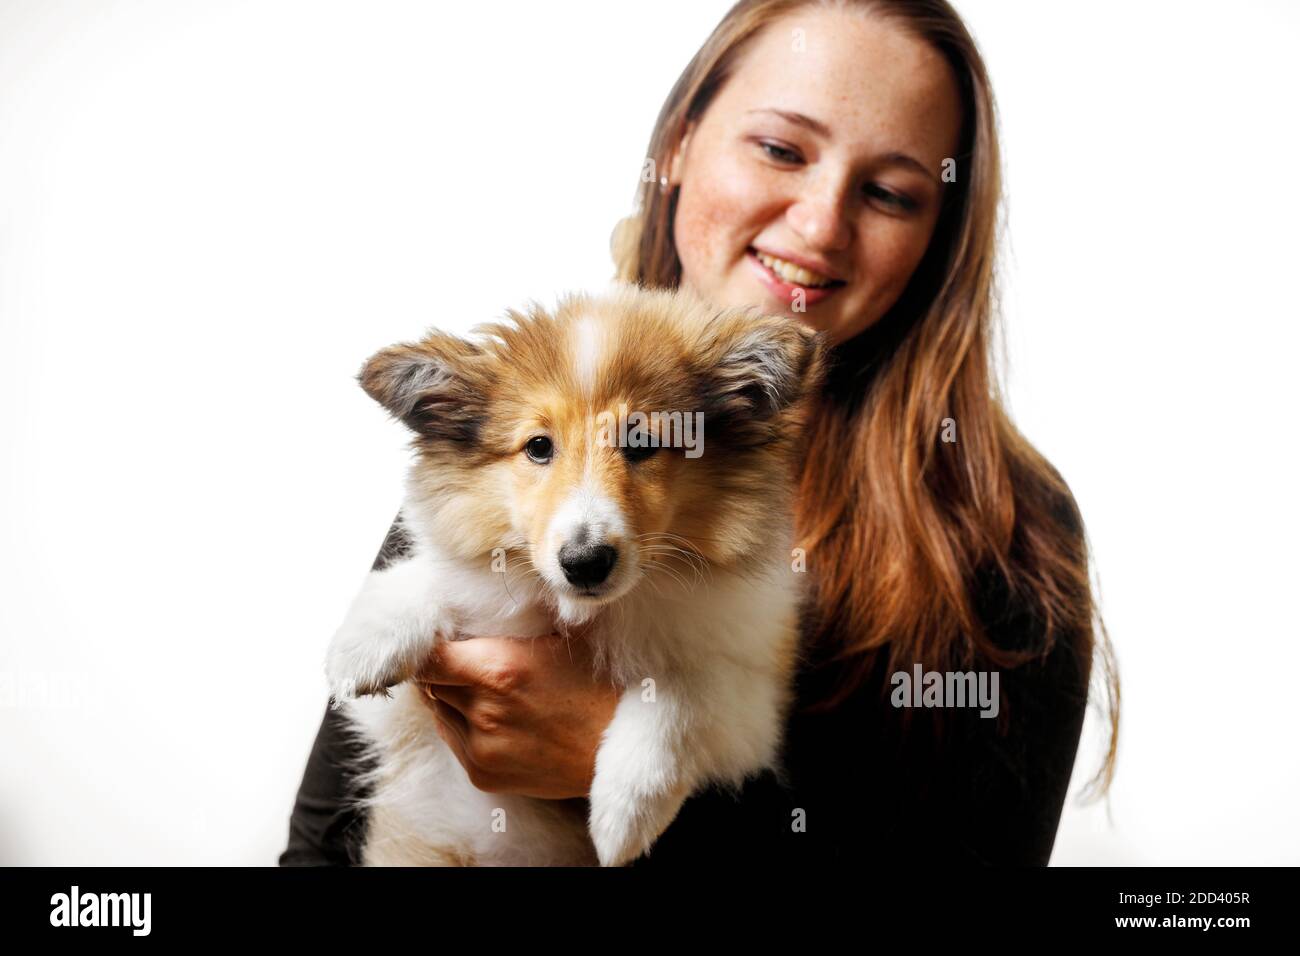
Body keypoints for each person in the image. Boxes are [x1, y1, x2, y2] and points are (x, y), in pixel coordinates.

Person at [279, 0, 1120, 867]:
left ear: (939, 228)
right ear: (679, 142)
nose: (821, 224)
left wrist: (625, 771)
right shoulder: (517, 449)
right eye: (781, 148)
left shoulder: (1004, 523)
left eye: (889, 192)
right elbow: (322, 839)